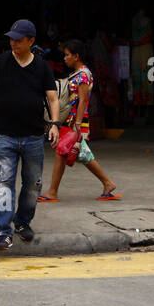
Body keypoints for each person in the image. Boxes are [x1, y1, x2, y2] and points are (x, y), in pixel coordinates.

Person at [0, 19, 61, 251]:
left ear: (31, 41)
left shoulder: (42, 67)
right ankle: (4, 231)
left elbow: (53, 97)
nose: (13, 43)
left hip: (34, 137)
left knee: (33, 183)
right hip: (5, 135)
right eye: (11, 39)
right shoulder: (0, 62)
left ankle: (23, 221)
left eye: (18, 39)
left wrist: (54, 124)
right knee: (4, 183)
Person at [38, 39, 120, 202]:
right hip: (72, 121)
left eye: (67, 55)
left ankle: (53, 192)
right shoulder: (79, 73)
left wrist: (77, 125)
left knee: (69, 153)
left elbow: (83, 101)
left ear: (76, 56)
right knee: (80, 154)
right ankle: (107, 183)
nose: (64, 58)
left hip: (76, 122)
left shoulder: (83, 74)